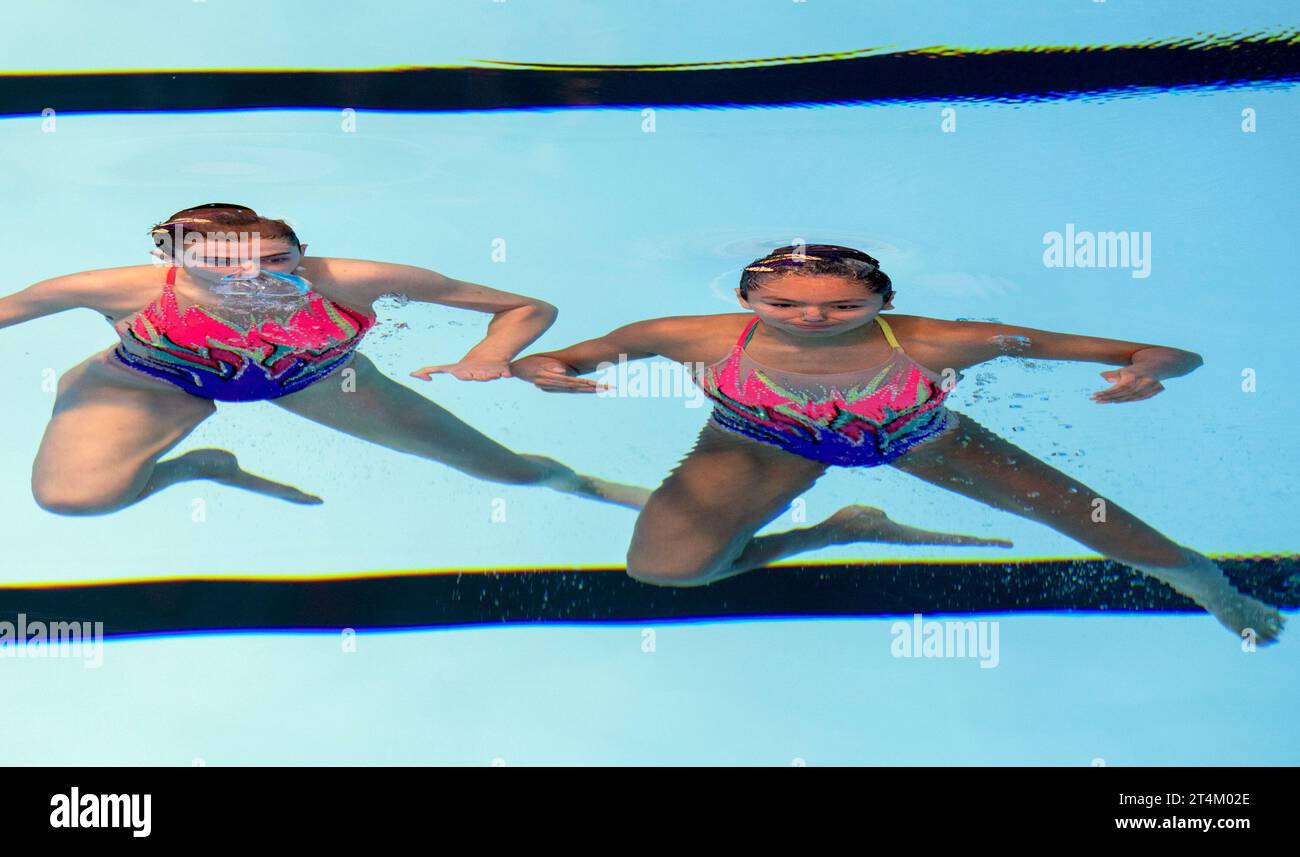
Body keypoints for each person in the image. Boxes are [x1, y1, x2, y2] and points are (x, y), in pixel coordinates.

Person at [510, 244, 1284, 645]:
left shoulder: (950, 341)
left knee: (1086, 518)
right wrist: (545, 371)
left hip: (919, 436)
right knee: (664, 571)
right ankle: (838, 532)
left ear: (883, 301)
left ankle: (1211, 590)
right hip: (755, 441)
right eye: (783, 305)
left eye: (842, 306)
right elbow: (553, 357)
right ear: (747, 299)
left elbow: (1168, 353)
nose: (811, 318)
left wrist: (1149, 374)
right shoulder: (682, 335)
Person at [3, 203, 648, 514]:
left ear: (302, 252)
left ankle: (596, 490)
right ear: (169, 263)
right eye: (220, 267)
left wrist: (488, 353)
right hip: (149, 382)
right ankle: (200, 467)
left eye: (277, 261)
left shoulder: (356, 279)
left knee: (505, 474)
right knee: (74, 501)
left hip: (320, 381)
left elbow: (526, 307)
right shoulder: (113, 288)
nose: (252, 280)